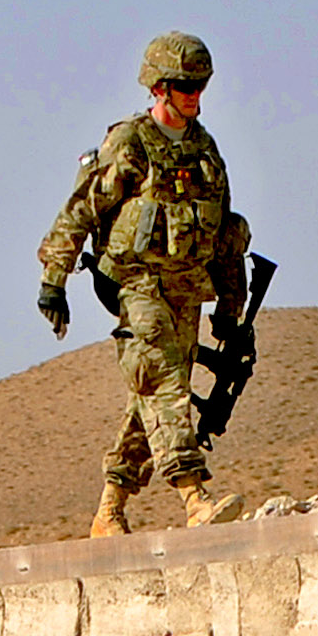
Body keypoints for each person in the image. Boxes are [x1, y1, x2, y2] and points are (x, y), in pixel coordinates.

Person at [40, 31, 254, 535]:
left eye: (200, 85)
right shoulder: (131, 143)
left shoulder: (204, 148)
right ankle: (193, 496)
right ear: (158, 87)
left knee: (154, 393)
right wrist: (54, 278)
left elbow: (223, 229)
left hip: (186, 288)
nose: (194, 95)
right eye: (184, 85)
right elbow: (83, 207)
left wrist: (231, 302)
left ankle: (110, 506)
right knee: (162, 380)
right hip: (135, 283)